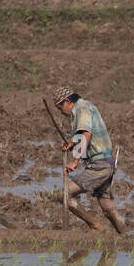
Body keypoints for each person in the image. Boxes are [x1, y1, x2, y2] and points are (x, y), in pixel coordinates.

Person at [53, 86, 126, 234]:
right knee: (107, 207)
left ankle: (95, 226)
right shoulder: (84, 108)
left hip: (99, 165)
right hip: (106, 163)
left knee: (64, 195)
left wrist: (75, 161)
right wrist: (72, 142)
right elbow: (84, 134)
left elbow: (86, 134)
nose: (61, 112)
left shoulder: (82, 109)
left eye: (60, 108)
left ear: (67, 101)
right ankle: (125, 237)